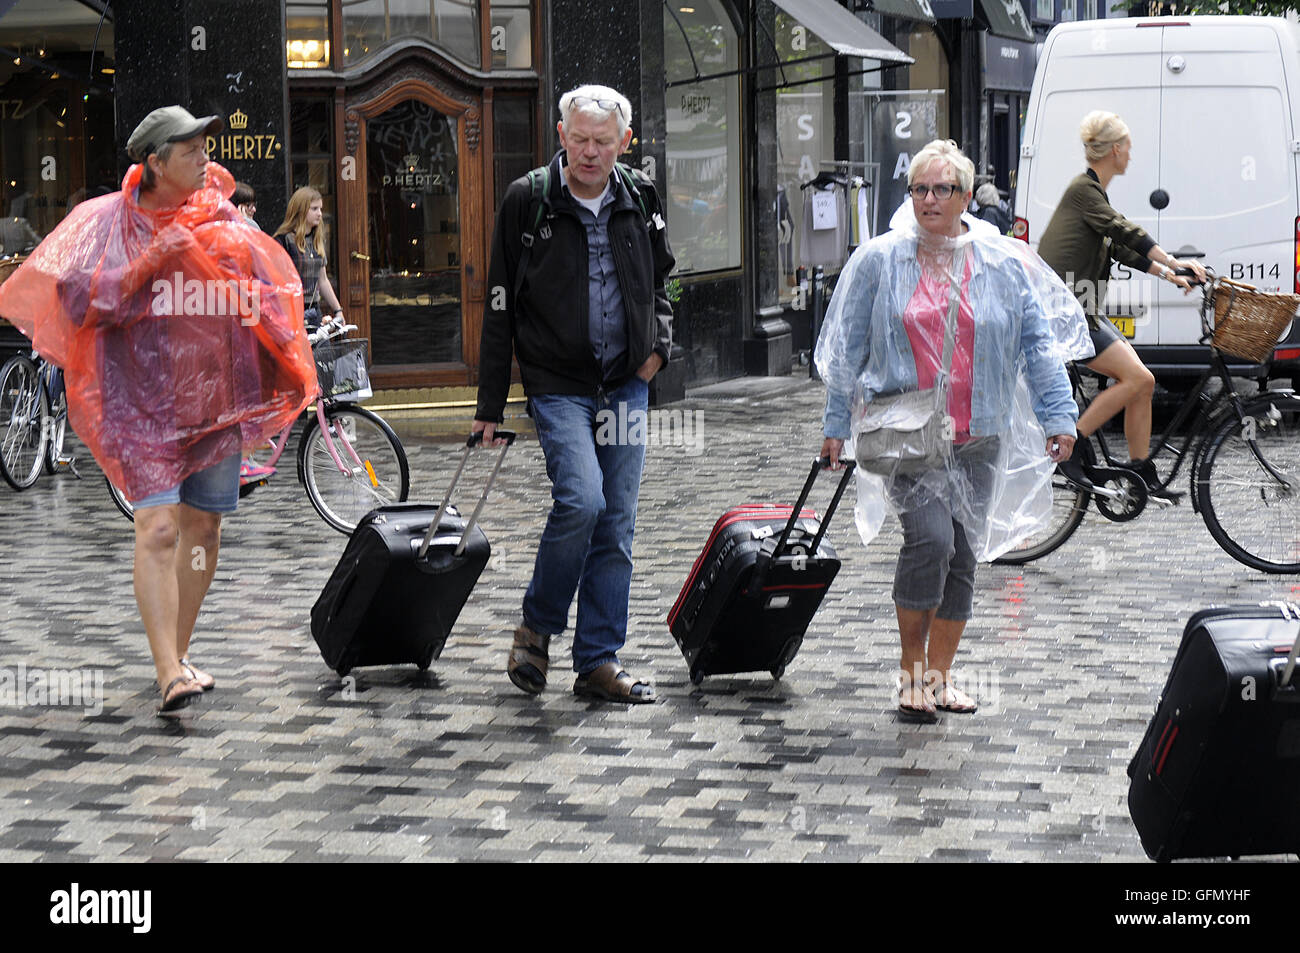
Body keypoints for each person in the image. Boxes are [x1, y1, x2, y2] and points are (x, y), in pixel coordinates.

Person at [0, 105, 315, 715]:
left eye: (204, 146)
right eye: (191, 148)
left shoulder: (222, 218)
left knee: (204, 532)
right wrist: (151, 259)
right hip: (138, 408)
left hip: (212, 408)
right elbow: (77, 301)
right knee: (161, 527)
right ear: (155, 162)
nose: (205, 157)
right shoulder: (105, 224)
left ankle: (177, 654)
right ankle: (168, 669)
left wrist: (289, 356)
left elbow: (264, 297)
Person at [817, 139, 1084, 723]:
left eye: (943, 189)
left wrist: (1060, 415)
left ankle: (940, 679)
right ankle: (911, 674)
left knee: (963, 554)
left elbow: (1038, 345)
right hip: (909, 432)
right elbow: (847, 350)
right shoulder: (880, 260)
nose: (930, 199)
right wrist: (836, 423)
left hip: (978, 432)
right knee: (931, 540)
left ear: (966, 196)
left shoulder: (1002, 261)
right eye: (920, 189)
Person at [473, 84, 674, 704]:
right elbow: (500, 302)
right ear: (561, 136)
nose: (590, 153)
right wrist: (490, 404)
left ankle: (597, 660)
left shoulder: (639, 195)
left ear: (624, 142)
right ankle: (537, 627)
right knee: (583, 501)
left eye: (603, 142)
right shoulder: (527, 199)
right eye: (580, 140)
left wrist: (659, 349)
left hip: (625, 384)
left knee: (617, 520)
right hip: (558, 385)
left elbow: (665, 276)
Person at [1036, 111, 1206, 498]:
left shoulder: (1093, 191)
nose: (1131, 153)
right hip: (1066, 313)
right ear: (1115, 150)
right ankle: (1072, 443)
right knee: (1140, 379)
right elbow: (1121, 228)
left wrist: (1170, 274)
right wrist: (1174, 259)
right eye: (1127, 146)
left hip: (1082, 309)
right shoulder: (1085, 191)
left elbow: (1120, 248)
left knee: (1141, 382)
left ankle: (1141, 473)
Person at [274, 187, 344, 332]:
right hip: (291, 311)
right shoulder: (283, 240)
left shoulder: (316, 239)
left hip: (314, 309)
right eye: (314, 209)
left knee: (322, 352)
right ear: (300, 210)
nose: (319, 213)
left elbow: (322, 280)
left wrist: (338, 310)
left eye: (320, 208)